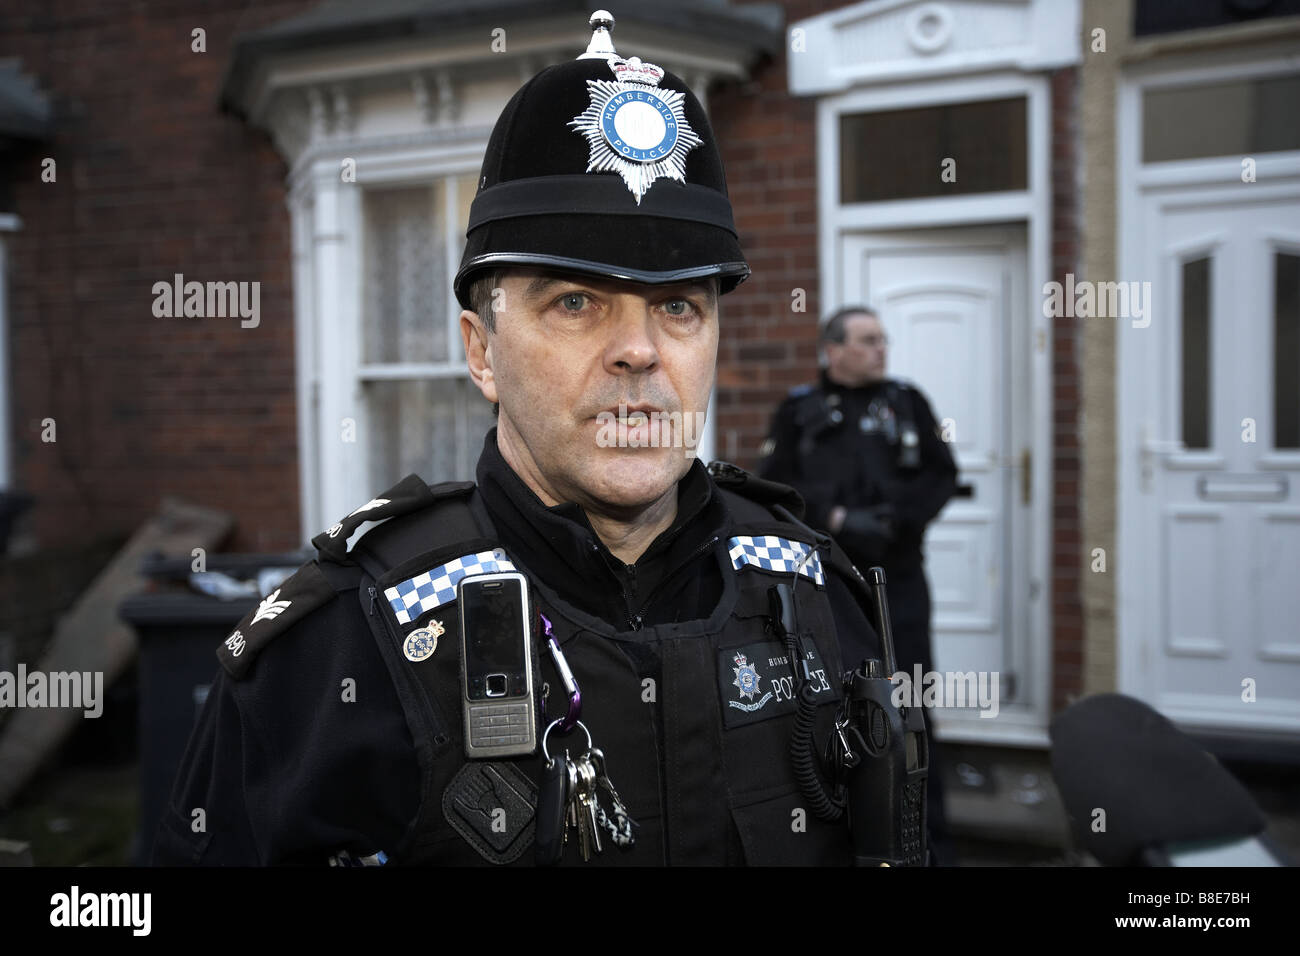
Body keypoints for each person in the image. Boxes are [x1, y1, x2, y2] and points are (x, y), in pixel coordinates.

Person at [154, 13, 902, 867]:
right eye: (575, 303)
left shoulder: (815, 599)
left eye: (679, 307)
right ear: (481, 350)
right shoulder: (338, 653)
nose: (640, 350)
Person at [759, 306, 958, 860]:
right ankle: (852, 836)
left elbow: (944, 473)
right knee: (839, 704)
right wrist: (840, 520)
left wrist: (900, 517)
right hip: (833, 586)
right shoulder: (800, 412)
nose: (880, 349)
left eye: (882, 340)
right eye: (867, 340)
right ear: (833, 350)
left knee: (912, 706)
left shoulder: (907, 402)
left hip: (900, 580)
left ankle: (929, 843)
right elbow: (778, 488)